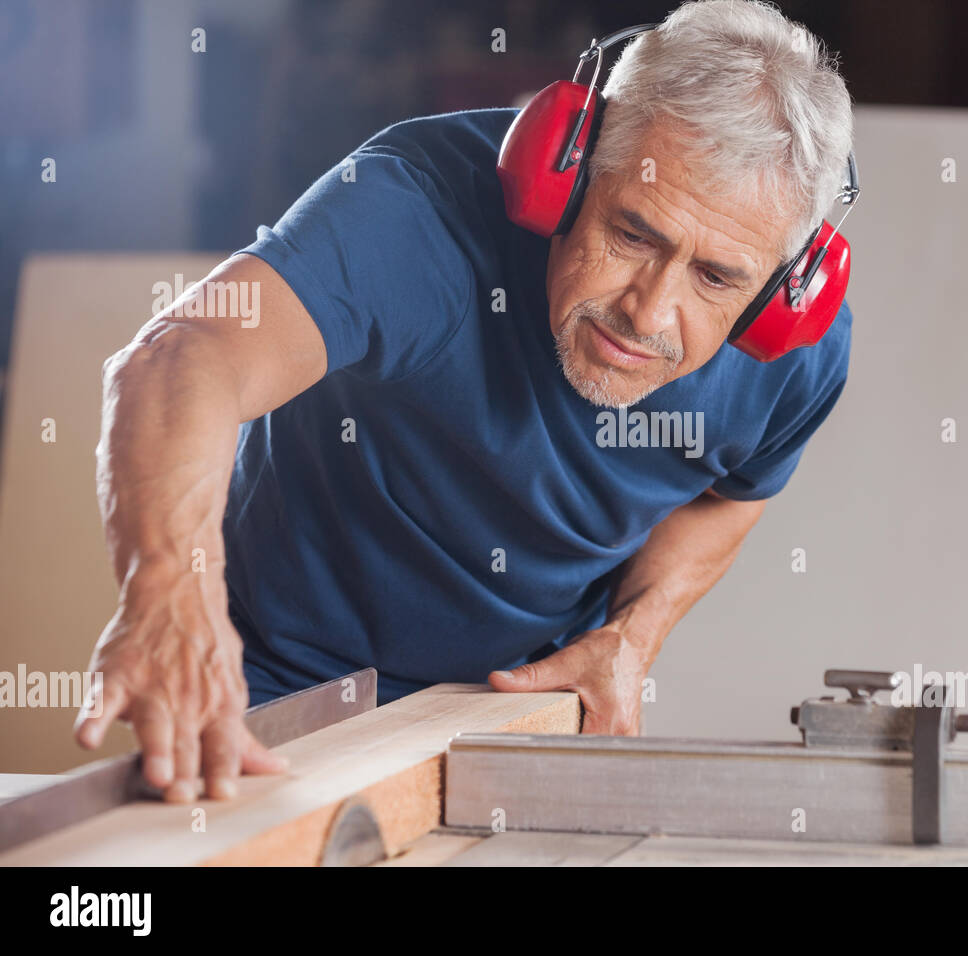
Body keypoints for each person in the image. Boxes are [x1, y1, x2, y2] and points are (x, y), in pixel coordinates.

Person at [75, 0, 855, 803]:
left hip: (513, 709)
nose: (649, 313)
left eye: (715, 278)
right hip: (281, 684)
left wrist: (633, 635)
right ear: (569, 171)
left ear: (785, 290)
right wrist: (169, 593)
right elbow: (184, 357)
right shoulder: (418, 208)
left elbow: (730, 498)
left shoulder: (793, 354)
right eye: (632, 235)